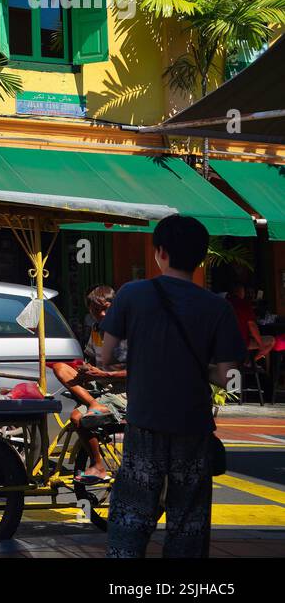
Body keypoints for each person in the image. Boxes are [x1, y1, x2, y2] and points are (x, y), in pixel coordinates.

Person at [100, 215, 245, 559]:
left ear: (160, 253)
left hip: (144, 422)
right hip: (192, 427)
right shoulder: (217, 308)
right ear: (200, 258)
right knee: (188, 519)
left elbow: (107, 357)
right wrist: (203, 370)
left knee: (133, 512)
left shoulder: (132, 294)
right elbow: (231, 380)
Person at [50, 285, 126, 481]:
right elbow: (91, 359)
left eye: (106, 308)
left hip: (124, 391)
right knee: (59, 367)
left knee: (77, 417)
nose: (101, 314)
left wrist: (102, 374)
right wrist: (86, 370)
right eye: (94, 310)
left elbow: (140, 372)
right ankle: (93, 403)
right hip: (100, 385)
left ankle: (97, 466)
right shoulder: (95, 329)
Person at [228, 283, 273, 362]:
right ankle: (255, 360)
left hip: (224, 342)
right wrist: (261, 345)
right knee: (271, 341)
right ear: (241, 293)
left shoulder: (224, 303)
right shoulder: (244, 304)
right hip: (242, 343)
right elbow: (252, 327)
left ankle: (251, 362)